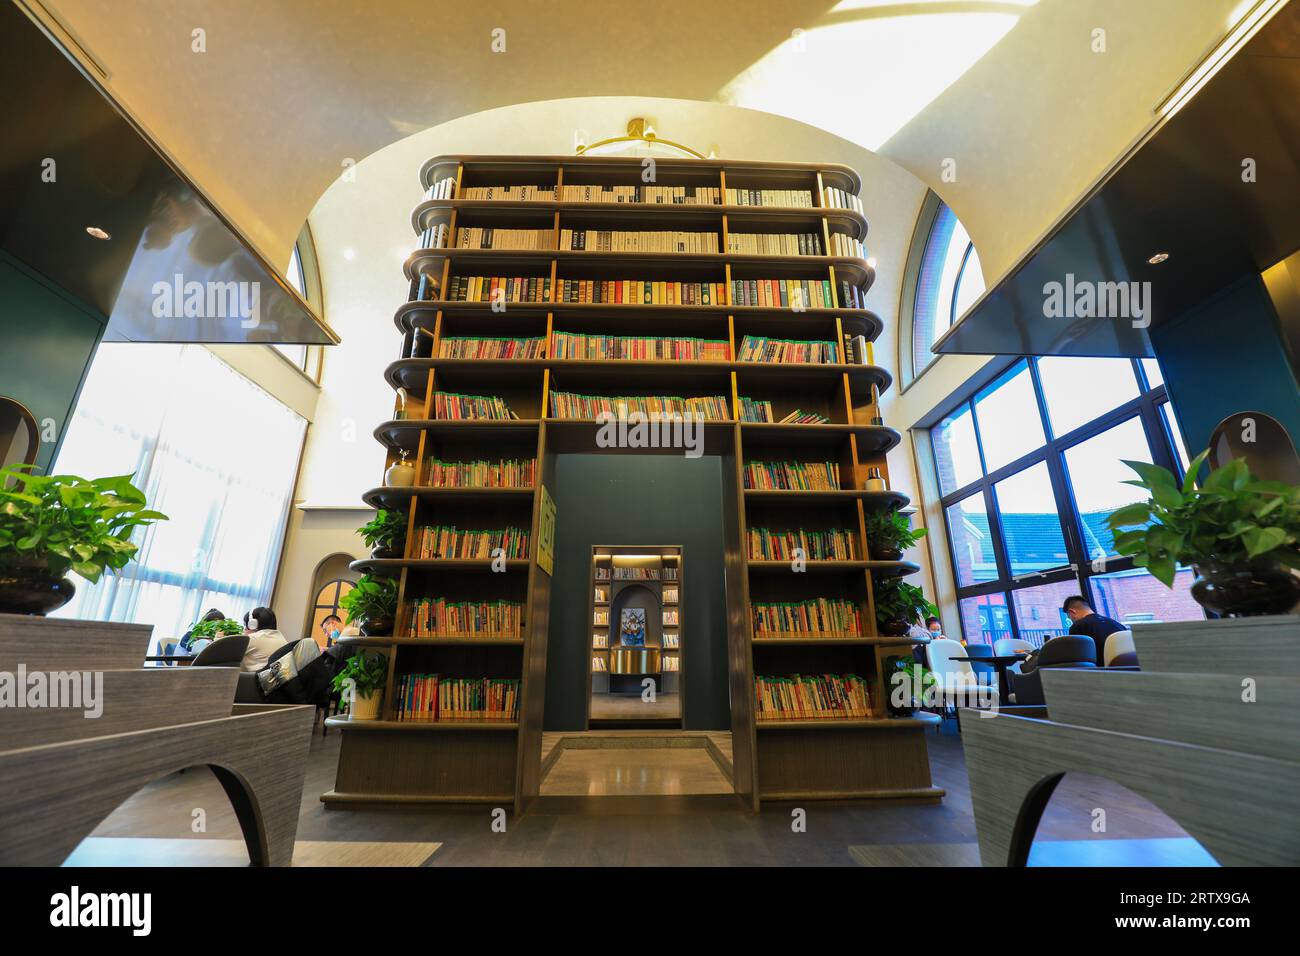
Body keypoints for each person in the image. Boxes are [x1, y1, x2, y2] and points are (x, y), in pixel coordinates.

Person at [1062, 595, 1124, 666]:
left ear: (1072, 612)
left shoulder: (1078, 627)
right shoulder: (1117, 624)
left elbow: (1077, 660)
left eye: (1069, 617)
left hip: (1098, 673)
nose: (1071, 620)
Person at [241, 607, 288, 673]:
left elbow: (227, 653)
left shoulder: (253, 638)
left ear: (252, 624)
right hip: (276, 680)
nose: (245, 629)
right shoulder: (281, 638)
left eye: (245, 625)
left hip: (254, 681)